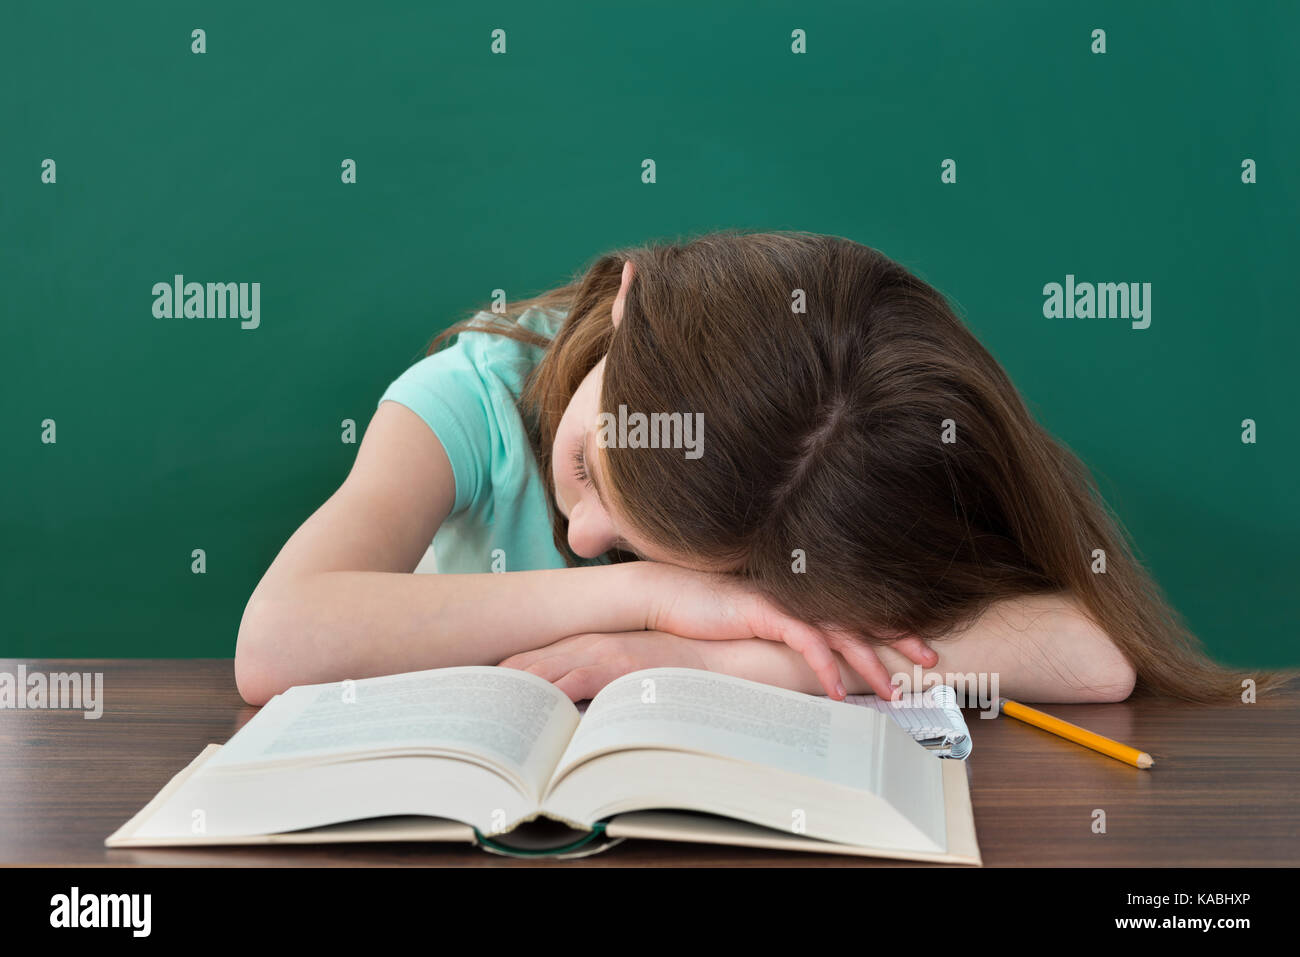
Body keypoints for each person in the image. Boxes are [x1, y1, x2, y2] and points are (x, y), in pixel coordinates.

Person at [235, 230, 1276, 707]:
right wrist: (654, 593)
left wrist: (717, 664)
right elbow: (278, 642)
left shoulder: (807, 469)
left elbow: (1087, 658)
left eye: (641, 543)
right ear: (634, 300)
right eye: (597, 469)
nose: (586, 536)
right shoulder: (471, 398)